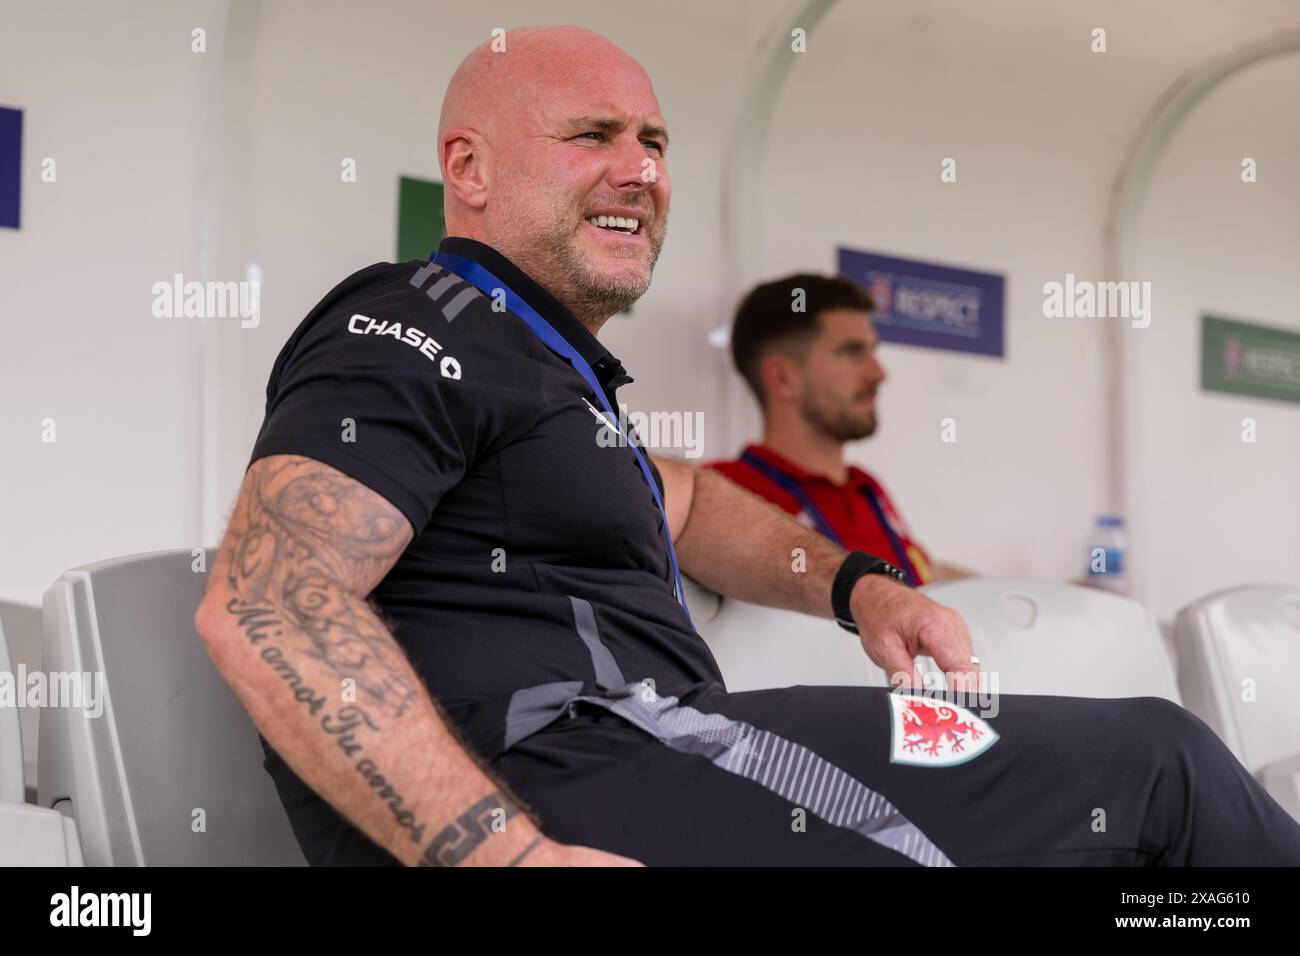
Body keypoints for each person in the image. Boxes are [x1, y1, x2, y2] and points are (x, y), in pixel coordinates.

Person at [194, 25, 1300, 867]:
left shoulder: (550, 369)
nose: (642, 170)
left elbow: (681, 500)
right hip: (572, 765)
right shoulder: (415, 316)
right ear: (470, 170)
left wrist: (864, 587)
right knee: (1160, 764)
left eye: (656, 143)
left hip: (654, 749)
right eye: (591, 137)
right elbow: (265, 597)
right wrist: (501, 851)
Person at [707, 274, 972, 585]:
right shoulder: (723, 492)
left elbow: (926, 574)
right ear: (783, 379)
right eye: (852, 352)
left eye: (873, 351)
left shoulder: (865, 489)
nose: (879, 373)